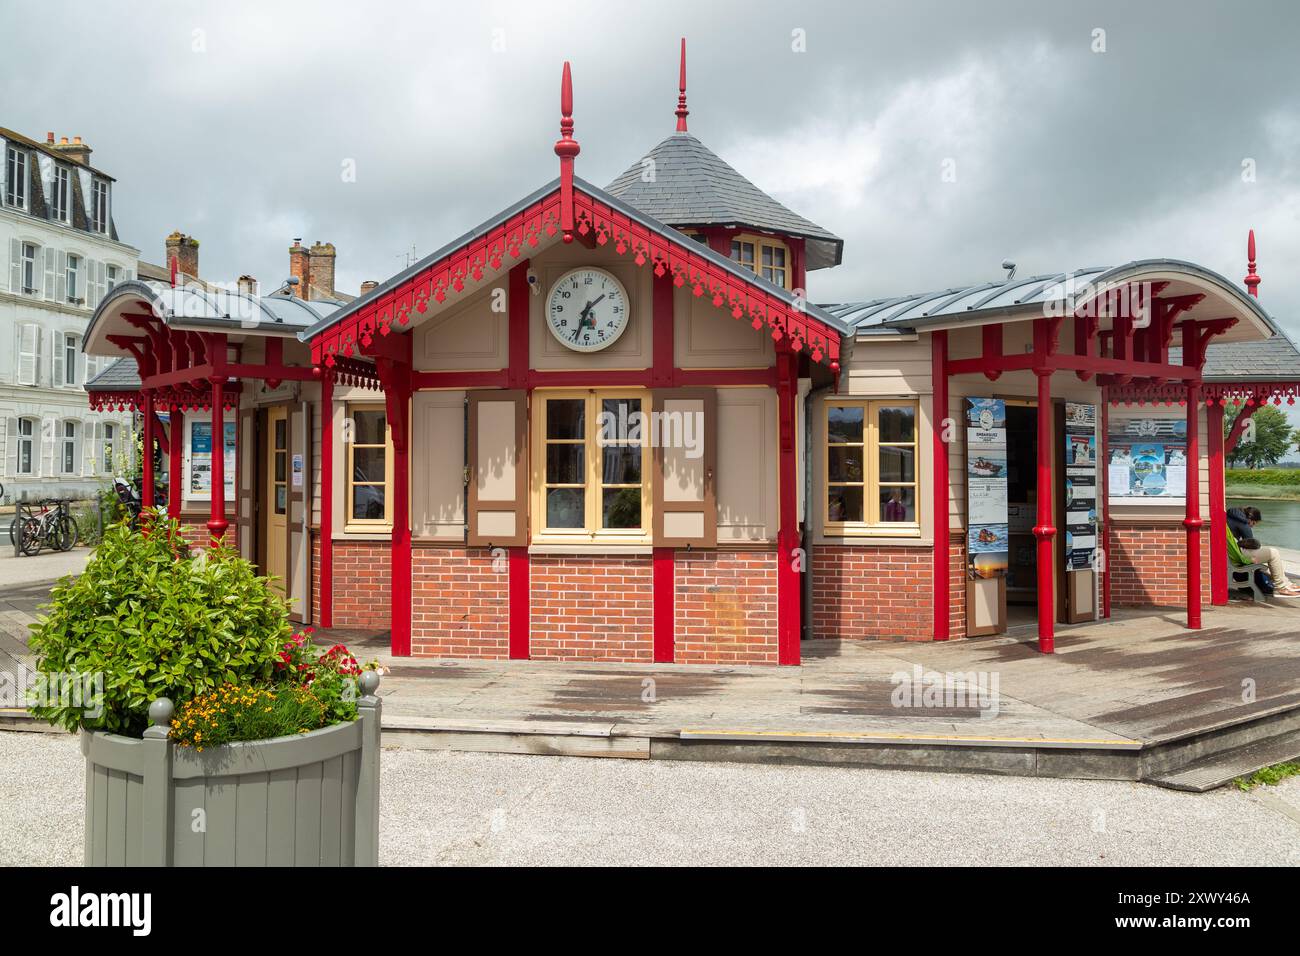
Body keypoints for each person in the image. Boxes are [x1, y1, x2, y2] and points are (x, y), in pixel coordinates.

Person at [1227, 505, 1300, 597]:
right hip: (1237, 555)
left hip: (1230, 554)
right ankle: (1282, 587)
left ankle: (1285, 583)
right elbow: (1252, 543)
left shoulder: (1229, 517)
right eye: (1253, 523)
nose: (1252, 526)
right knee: (1273, 553)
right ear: (1250, 519)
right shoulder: (1243, 522)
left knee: (1267, 558)